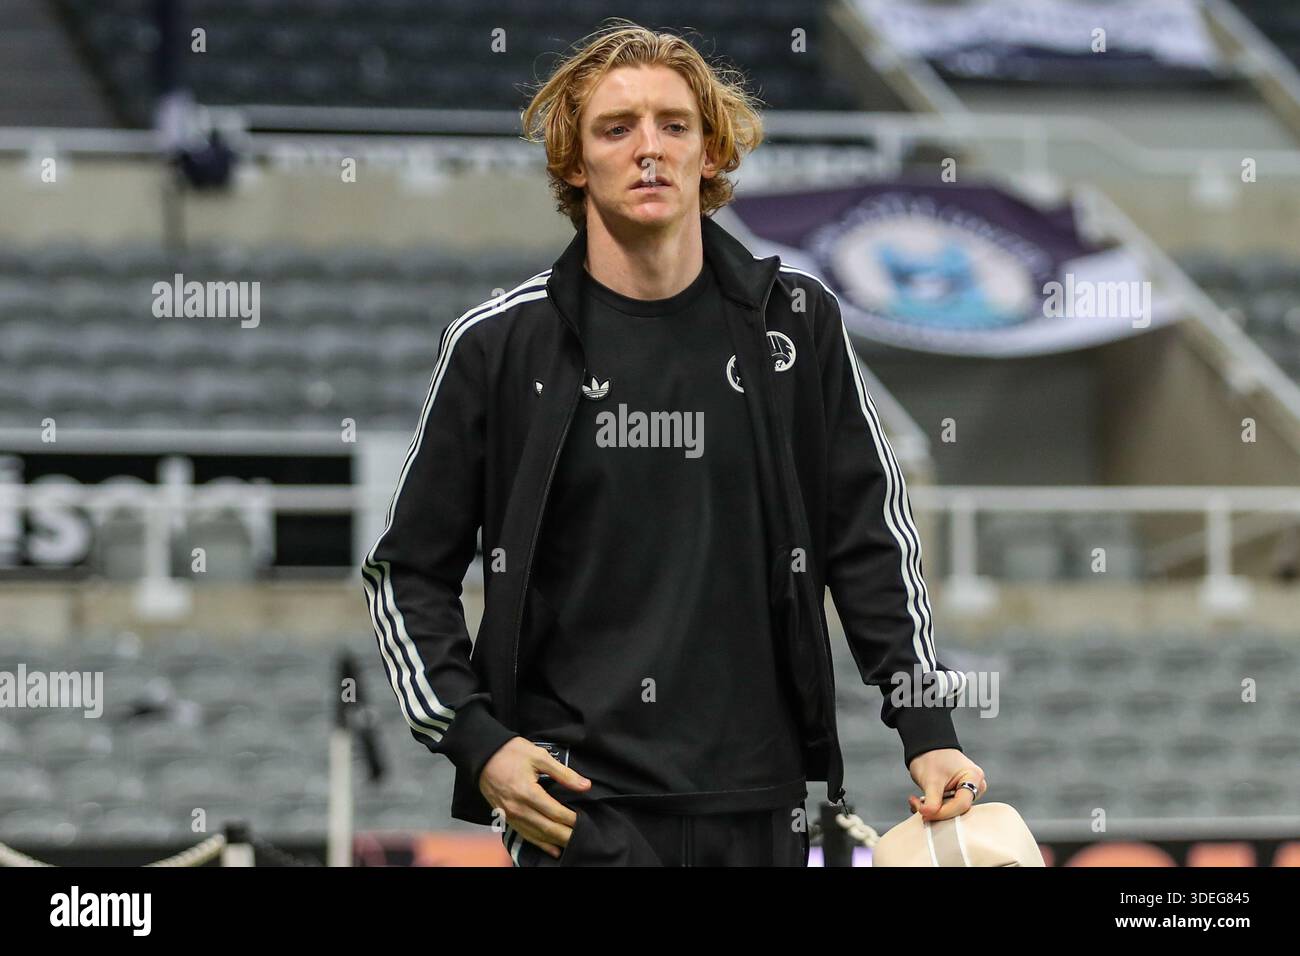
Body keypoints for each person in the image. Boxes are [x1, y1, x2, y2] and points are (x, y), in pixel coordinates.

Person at [361, 21, 986, 867]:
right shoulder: (500, 348)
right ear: (575, 164)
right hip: (578, 807)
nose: (648, 148)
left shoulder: (795, 326)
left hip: (763, 806)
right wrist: (478, 741)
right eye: (617, 129)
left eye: (674, 125)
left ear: (711, 152)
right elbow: (408, 575)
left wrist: (927, 727)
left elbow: (869, 542)